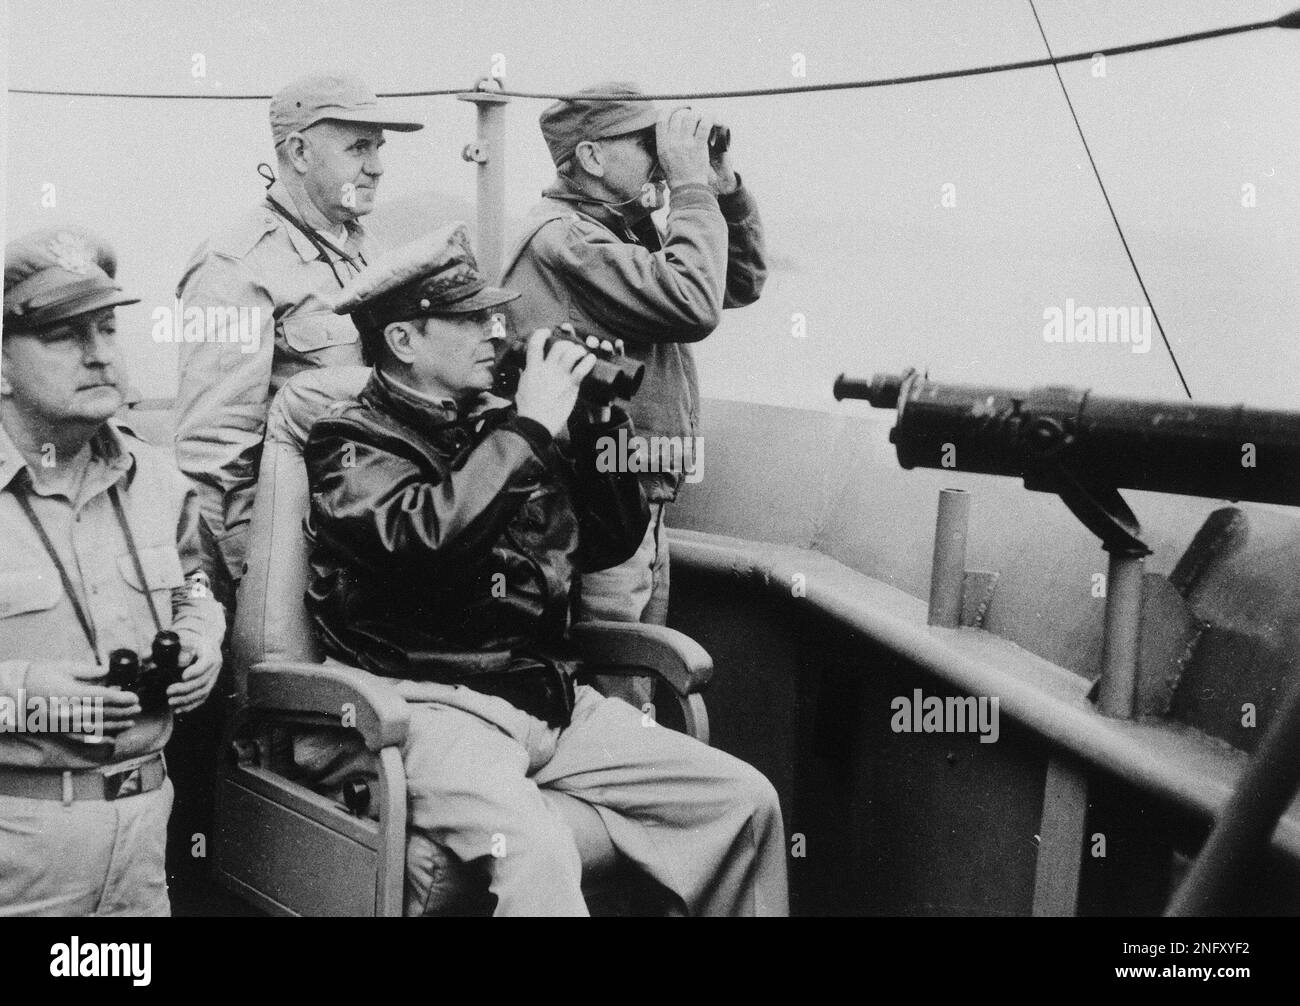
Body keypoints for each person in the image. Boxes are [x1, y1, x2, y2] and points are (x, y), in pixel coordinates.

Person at [303, 225, 788, 916]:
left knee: (743, 802)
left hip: (545, 697)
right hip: (431, 706)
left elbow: (608, 542)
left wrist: (595, 423)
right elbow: (422, 535)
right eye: (468, 320)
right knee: (534, 849)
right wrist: (528, 428)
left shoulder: (494, 423)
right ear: (403, 341)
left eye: (492, 317)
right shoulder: (349, 442)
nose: (493, 334)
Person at [501, 82, 767, 698]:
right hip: (594, 512)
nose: (659, 155)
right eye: (644, 142)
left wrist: (720, 185)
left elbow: (740, 282)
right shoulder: (564, 240)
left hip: (638, 500)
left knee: (641, 679)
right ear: (591, 158)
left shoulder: (615, 231)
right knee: (616, 688)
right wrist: (690, 189)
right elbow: (696, 305)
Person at [0, 226, 225, 916]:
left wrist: (203, 636)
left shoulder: (158, 481)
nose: (100, 355)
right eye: (66, 336)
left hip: (143, 839)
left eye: (106, 328)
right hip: (21, 842)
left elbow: (197, 580)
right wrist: (25, 693)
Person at [172, 72, 423, 603]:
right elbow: (214, 456)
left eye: (378, 147)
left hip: (379, 533)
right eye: (359, 147)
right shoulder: (235, 265)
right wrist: (257, 588)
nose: (376, 165)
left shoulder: (368, 250)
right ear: (300, 152)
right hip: (296, 550)